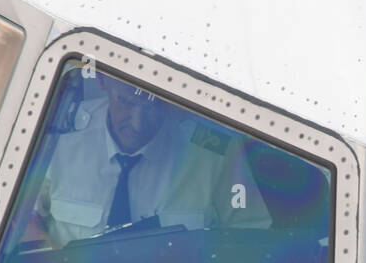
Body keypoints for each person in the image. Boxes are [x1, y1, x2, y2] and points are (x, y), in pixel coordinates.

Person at [22, 71, 270, 247]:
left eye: (153, 108)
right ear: (102, 80)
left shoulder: (214, 152)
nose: (137, 124)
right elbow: (21, 221)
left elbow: (252, 239)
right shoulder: (58, 136)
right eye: (126, 102)